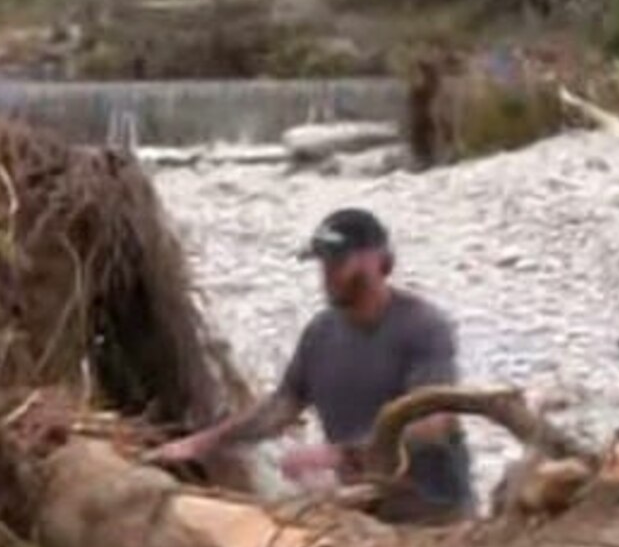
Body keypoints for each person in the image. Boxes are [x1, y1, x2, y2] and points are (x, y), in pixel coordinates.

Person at [147, 208, 475, 525]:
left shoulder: (423, 326)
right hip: (363, 513)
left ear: (378, 260)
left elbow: (434, 423)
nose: (328, 274)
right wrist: (201, 443)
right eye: (323, 263)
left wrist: (342, 455)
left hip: (433, 513)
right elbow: (280, 408)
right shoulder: (321, 333)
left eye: (338, 261)